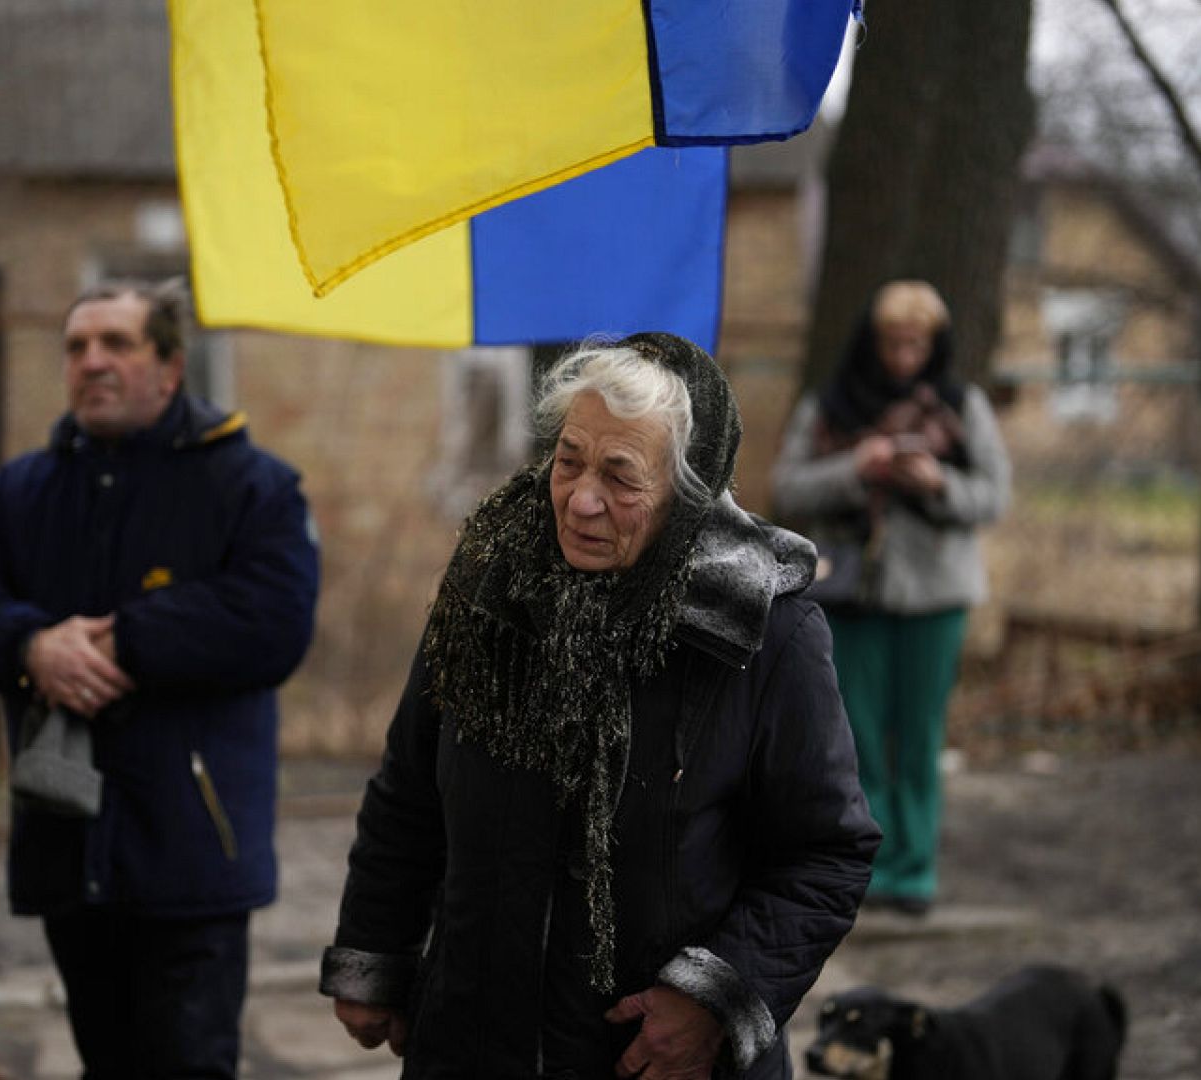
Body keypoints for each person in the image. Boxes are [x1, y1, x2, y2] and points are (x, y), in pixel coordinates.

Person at [320, 334, 880, 1080]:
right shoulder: (490, 590)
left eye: (620, 476)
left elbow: (825, 851)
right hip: (472, 1040)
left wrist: (715, 999)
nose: (582, 499)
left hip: (650, 1059)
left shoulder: (758, 629)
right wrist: (377, 951)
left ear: (686, 492)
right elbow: (411, 789)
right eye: (569, 461)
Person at [0, 280, 320, 1079]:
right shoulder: (17, 494)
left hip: (194, 857)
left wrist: (125, 639)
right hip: (69, 856)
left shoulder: (253, 488)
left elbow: (274, 623)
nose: (91, 362)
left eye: (116, 343)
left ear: (170, 368)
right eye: (76, 347)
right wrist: (29, 648)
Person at [770, 280, 1011, 917]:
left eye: (916, 344)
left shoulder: (962, 405)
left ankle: (916, 868)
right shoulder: (831, 404)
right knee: (859, 736)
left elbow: (993, 495)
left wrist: (937, 483)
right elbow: (788, 487)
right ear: (872, 342)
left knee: (920, 734)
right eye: (892, 344)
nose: (903, 357)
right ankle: (866, 865)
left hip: (935, 597)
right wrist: (859, 468)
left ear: (934, 345)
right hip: (853, 591)